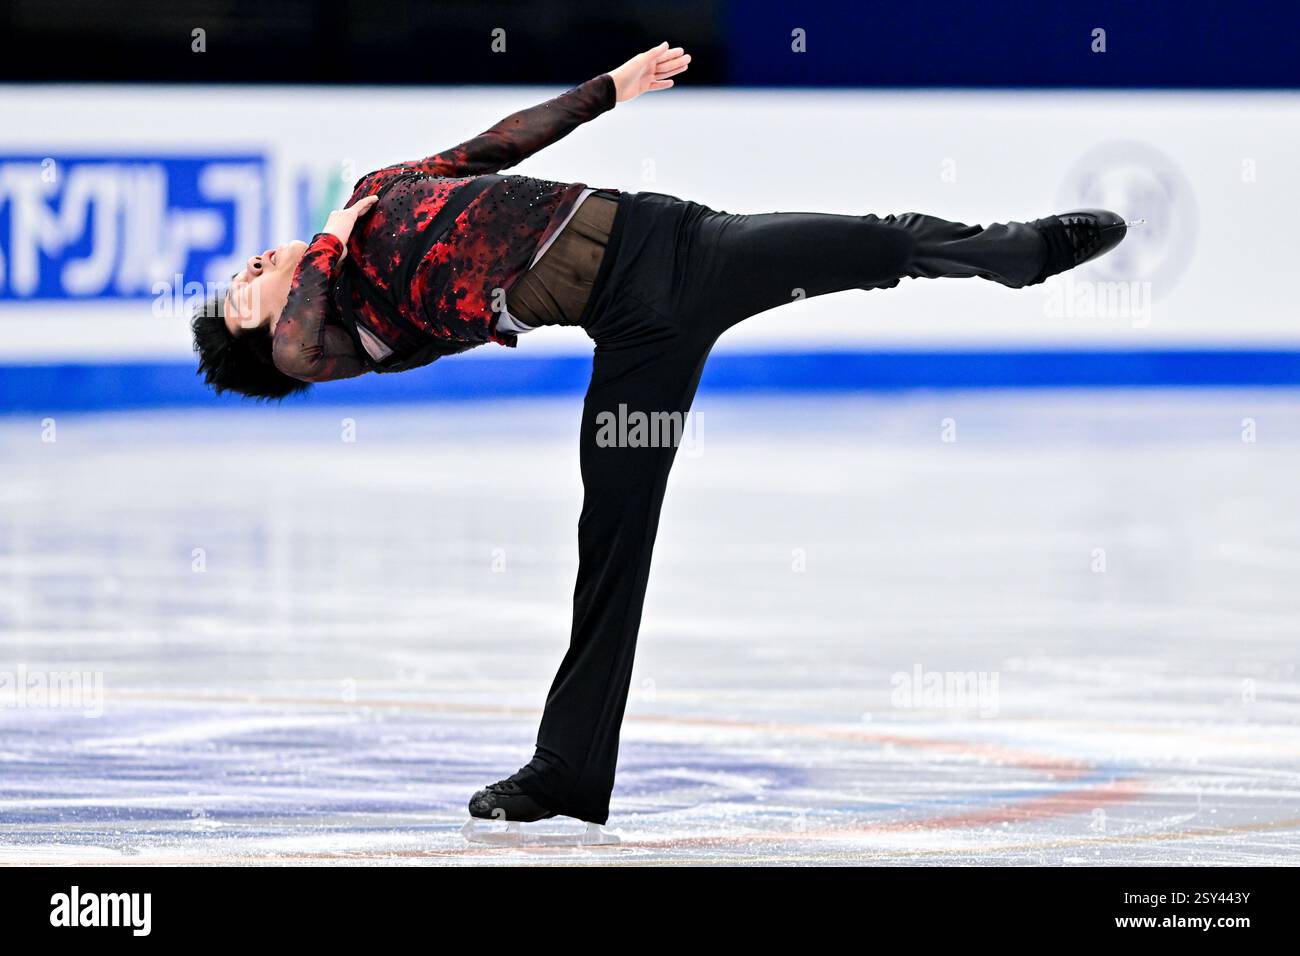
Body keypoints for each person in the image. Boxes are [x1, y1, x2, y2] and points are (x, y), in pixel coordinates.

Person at [192, 42, 1127, 829]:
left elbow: (500, 143)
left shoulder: (373, 192)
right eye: (243, 288)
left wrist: (613, 87)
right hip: (637, 339)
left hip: (680, 245)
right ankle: (567, 769)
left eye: (245, 268)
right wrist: (326, 246)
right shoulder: (361, 332)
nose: (253, 264)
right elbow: (298, 350)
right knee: (614, 540)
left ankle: (1019, 253)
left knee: (876, 244)